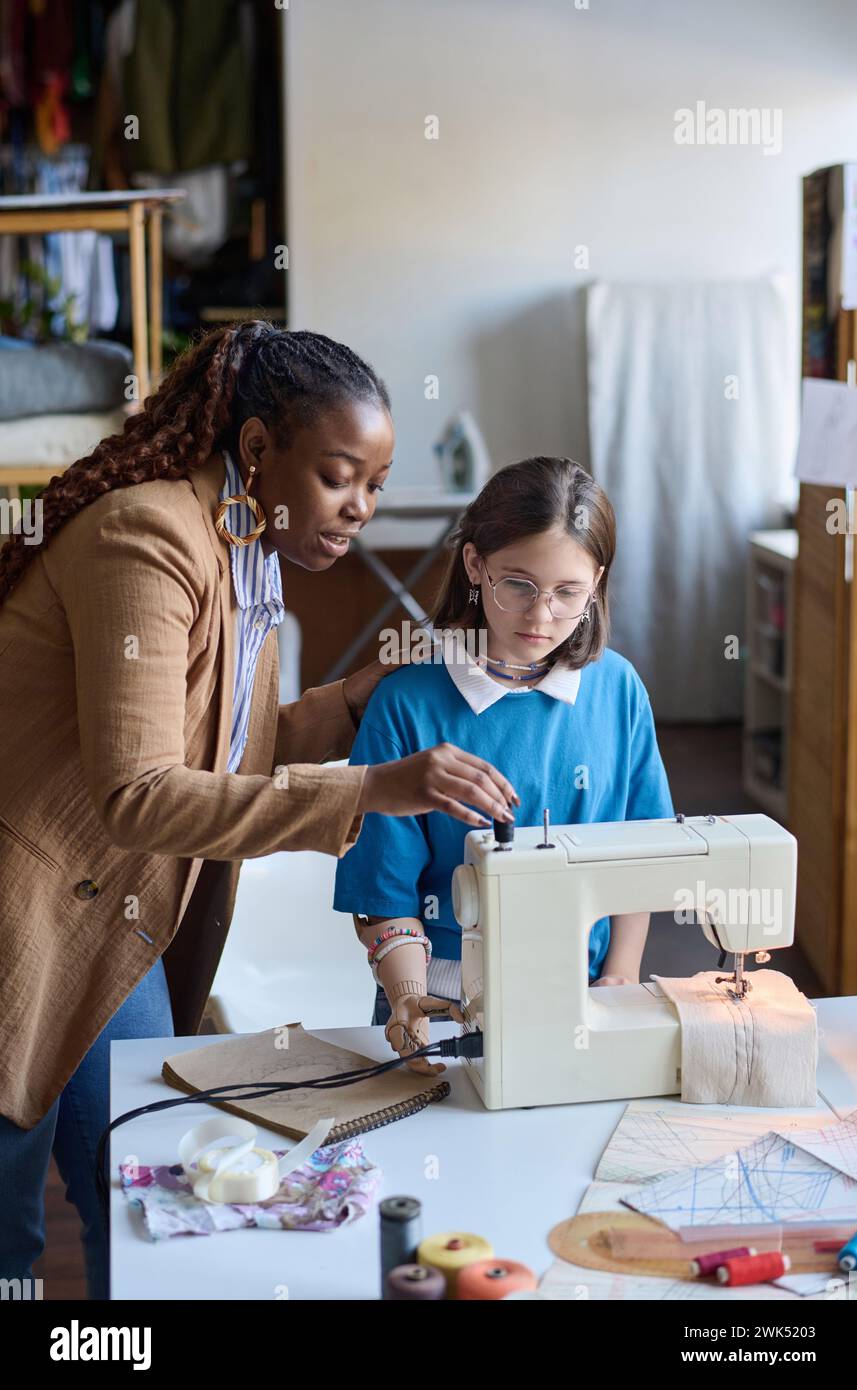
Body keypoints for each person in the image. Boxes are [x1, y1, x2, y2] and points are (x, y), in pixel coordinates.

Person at [0, 320, 517, 1298]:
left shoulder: (247, 551)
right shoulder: (145, 538)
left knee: (144, 1204)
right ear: (255, 450)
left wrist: (361, 698)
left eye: (373, 482)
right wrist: (370, 788)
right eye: (338, 476)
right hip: (22, 907)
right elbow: (139, 791)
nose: (360, 506)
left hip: (111, 920)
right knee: (8, 1240)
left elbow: (231, 749)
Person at [333, 456, 675, 1075]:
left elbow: (641, 855)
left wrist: (621, 975)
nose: (540, 616)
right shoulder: (407, 702)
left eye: (568, 593)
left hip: (584, 991)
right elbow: (382, 891)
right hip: (436, 1001)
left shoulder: (619, 691)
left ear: (596, 583)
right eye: (517, 585)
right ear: (474, 566)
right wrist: (410, 998)